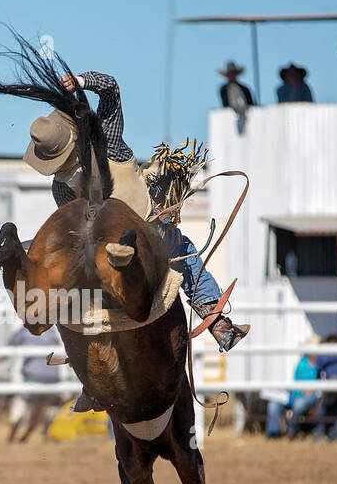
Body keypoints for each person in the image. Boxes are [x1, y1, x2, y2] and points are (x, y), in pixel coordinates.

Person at [31, 71, 250, 355]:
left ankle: (79, 357)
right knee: (184, 250)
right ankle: (218, 324)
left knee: (81, 279)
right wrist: (81, 81)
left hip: (102, 256)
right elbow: (110, 89)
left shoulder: (61, 188)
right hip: (151, 232)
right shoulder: (107, 144)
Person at [265, 335, 321, 438]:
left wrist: (311, 390)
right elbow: (296, 382)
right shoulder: (301, 363)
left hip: (312, 396)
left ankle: (292, 432)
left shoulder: (320, 365)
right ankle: (273, 433)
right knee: (274, 403)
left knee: (299, 404)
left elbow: (320, 386)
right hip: (296, 394)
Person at [314, 334, 337, 441]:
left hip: (332, 383)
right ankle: (335, 436)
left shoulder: (323, 354)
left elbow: (318, 371)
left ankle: (319, 434)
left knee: (325, 407)